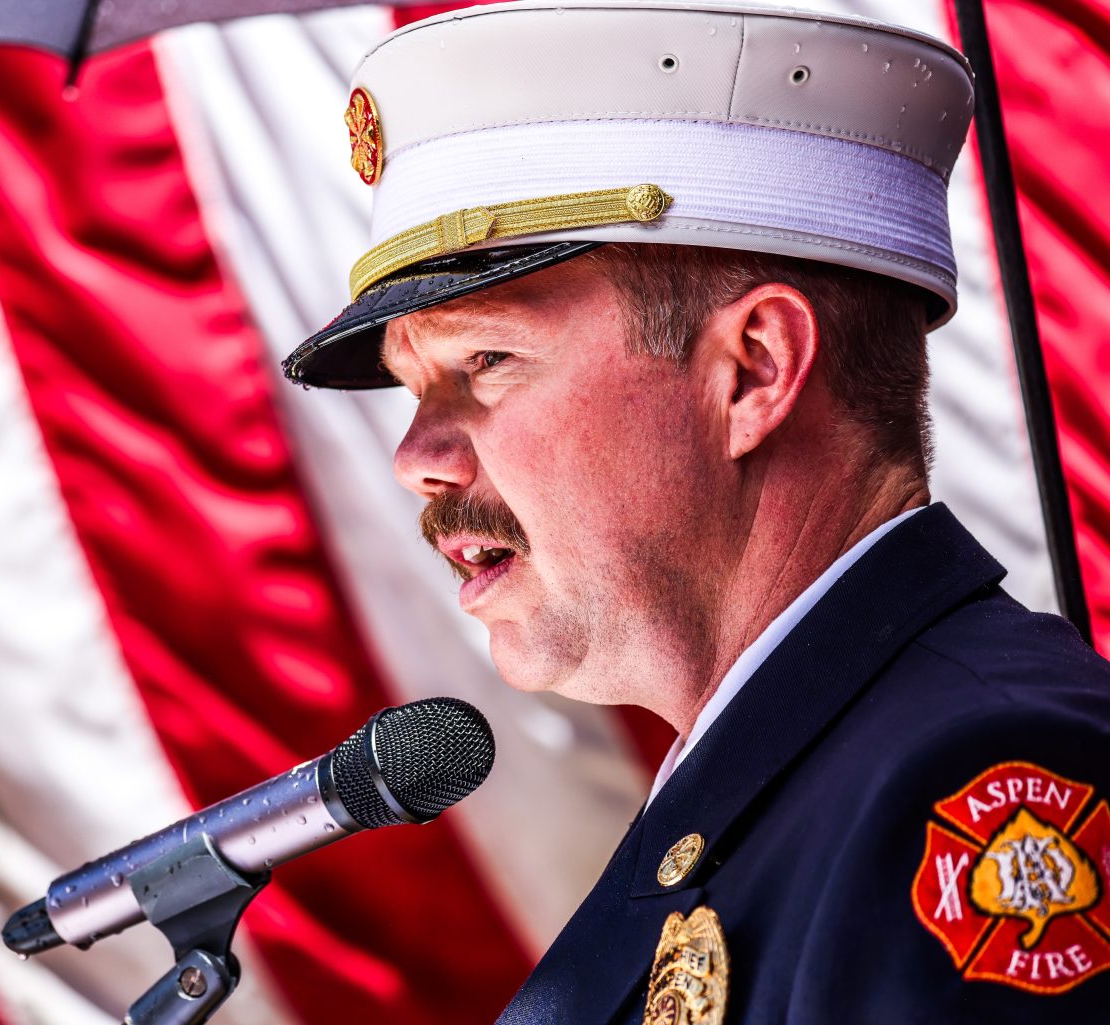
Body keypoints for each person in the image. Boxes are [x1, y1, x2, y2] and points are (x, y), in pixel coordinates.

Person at [281, 2, 1110, 1023]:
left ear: (754, 369)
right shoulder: (787, 791)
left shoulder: (981, 789)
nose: (418, 459)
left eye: (485, 359)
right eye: (417, 389)